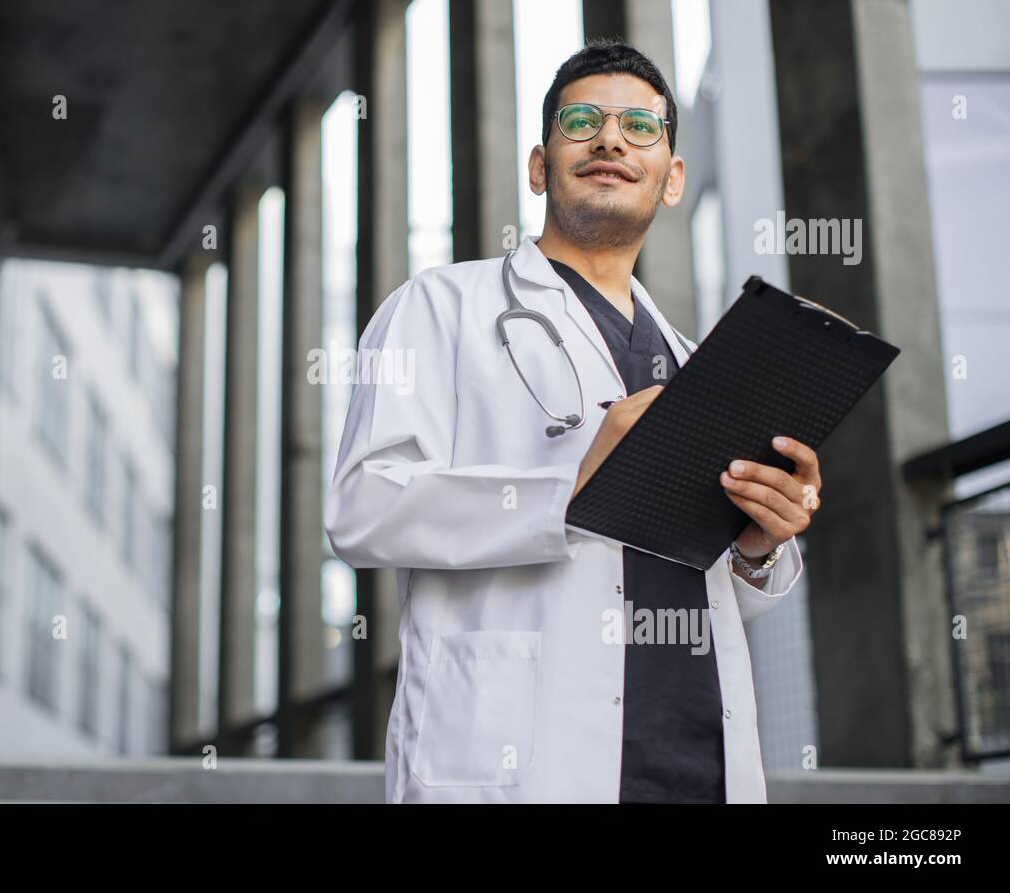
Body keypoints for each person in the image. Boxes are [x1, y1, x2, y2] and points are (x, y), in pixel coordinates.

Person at [324, 39, 823, 803]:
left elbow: (719, 588)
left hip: (697, 759)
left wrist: (759, 540)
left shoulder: (699, 364)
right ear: (539, 165)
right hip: (519, 762)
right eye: (582, 121)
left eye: (641, 128)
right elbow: (361, 510)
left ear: (673, 179)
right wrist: (574, 476)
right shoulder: (440, 308)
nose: (611, 140)